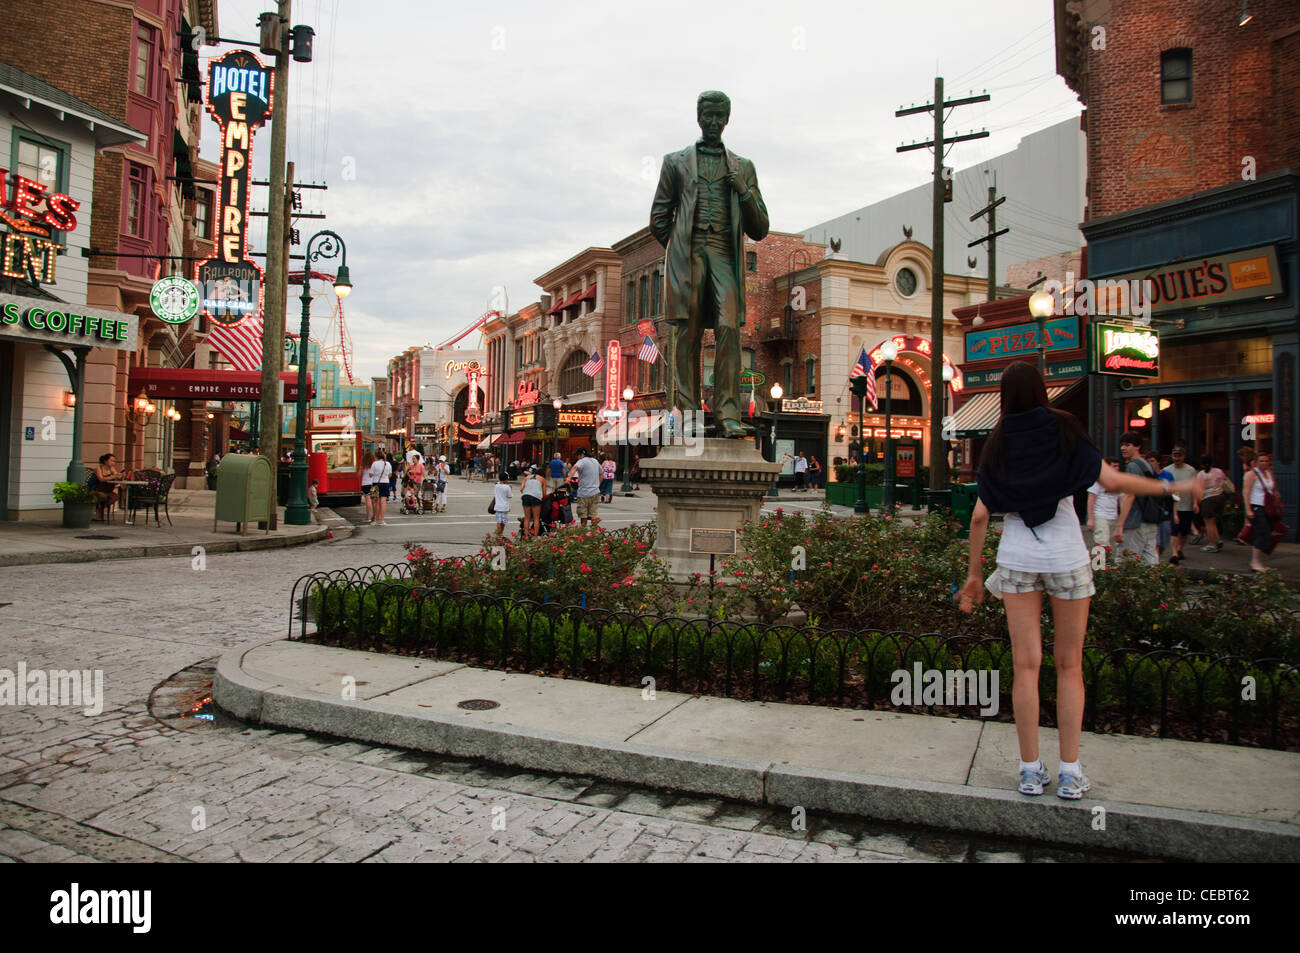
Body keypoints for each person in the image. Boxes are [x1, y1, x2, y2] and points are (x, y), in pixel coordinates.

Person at [957, 361, 1192, 801]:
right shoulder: (1065, 428)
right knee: (1069, 666)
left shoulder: (997, 443)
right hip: (1067, 556)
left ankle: (1029, 771)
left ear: (1004, 396)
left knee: (1025, 666)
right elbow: (1113, 480)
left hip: (1018, 558)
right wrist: (1169, 490)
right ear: (1043, 390)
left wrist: (973, 575)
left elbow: (979, 517)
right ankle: (1069, 772)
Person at [650, 90, 769, 438]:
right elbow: (660, 215)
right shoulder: (676, 162)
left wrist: (744, 191)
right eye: (708, 115)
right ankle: (688, 414)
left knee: (729, 327)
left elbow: (760, 227)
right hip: (688, 252)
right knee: (688, 332)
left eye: (720, 116)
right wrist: (676, 248)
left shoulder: (743, 166)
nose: (714, 122)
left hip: (724, 254)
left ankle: (728, 414)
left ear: (727, 119)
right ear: (699, 118)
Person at [1114, 434, 1161, 565]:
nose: (1123, 448)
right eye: (1122, 445)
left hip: (1135, 522)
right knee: (1150, 562)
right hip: (1150, 519)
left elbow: (1130, 495)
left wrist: (1119, 525)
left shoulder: (1132, 467)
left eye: (1127, 445)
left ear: (1138, 447)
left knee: (1126, 563)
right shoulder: (1148, 465)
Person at [1242, 452, 1279, 572]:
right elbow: (1246, 492)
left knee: (1267, 534)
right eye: (1261, 461)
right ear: (1256, 463)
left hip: (1267, 507)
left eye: (1266, 461)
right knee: (1262, 533)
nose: (1264, 463)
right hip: (1256, 506)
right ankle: (1255, 562)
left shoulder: (1269, 473)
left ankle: (1259, 561)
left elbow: (1274, 490)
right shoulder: (1251, 475)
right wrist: (1248, 509)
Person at [1161, 445, 1197, 565]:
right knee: (1174, 530)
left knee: (1184, 531)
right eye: (1175, 456)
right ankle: (1174, 552)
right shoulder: (1167, 470)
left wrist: (1196, 503)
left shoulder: (1190, 470)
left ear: (1184, 456)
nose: (1177, 458)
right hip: (1172, 505)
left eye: (1179, 456)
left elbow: (1194, 488)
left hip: (1187, 503)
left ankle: (1179, 549)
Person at [1194, 455, 1230, 553]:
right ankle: (1218, 539)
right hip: (1220, 497)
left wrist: (1196, 503)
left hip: (1208, 499)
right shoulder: (1218, 471)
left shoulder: (1201, 474)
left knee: (1208, 522)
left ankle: (1212, 544)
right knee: (1213, 521)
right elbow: (1224, 482)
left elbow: (1199, 489)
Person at [1085, 458, 1122, 551]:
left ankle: (1108, 565)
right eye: (1114, 466)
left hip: (1113, 516)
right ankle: (1099, 565)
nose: (1117, 468)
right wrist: (1090, 519)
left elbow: (1122, 500)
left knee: (1114, 545)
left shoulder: (1119, 481)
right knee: (1102, 543)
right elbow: (1091, 499)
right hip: (1100, 514)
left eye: (1118, 466)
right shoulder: (1099, 481)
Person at [569, 447, 602, 527]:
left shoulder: (581, 461)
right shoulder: (595, 461)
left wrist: (568, 478)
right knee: (593, 515)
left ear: (581, 455)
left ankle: (583, 533)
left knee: (583, 515)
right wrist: (598, 484)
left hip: (584, 493)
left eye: (577, 455)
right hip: (595, 492)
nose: (577, 457)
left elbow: (574, 468)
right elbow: (601, 473)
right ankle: (594, 534)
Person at [92, 452, 124, 521]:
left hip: (108, 490)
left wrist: (119, 476)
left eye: (114, 461)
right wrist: (113, 476)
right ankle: (99, 511)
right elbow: (101, 479)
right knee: (103, 497)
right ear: (105, 461)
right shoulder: (99, 468)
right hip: (97, 489)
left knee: (115, 497)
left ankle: (100, 509)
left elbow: (116, 476)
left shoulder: (111, 469)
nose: (113, 463)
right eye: (111, 460)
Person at [369, 449, 392, 526]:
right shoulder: (387, 464)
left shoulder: (374, 464)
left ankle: (376, 519)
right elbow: (390, 475)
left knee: (375, 502)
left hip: (375, 483)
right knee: (383, 502)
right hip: (385, 483)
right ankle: (382, 520)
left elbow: (370, 475)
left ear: (376, 456)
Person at [520, 466, 545, 536]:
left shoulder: (526, 478)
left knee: (527, 518)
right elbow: (544, 494)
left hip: (525, 496)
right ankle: (535, 537)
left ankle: (526, 536)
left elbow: (521, 489)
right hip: (536, 497)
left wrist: (527, 492)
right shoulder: (542, 479)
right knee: (536, 518)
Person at [492, 471, 512, 538]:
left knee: (498, 522)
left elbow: (498, 483)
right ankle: (500, 535)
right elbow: (510, 496)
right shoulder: (507, 487)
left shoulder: (496, 486)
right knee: (503, 522)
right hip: (504, 507)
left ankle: (499, 535)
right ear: (505, 479)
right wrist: (510, 489)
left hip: (497, 506)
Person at [360, 450, 375, 523]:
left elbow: (359, 474)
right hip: (373, 483)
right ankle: (375, 516)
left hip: (365, 484)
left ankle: (368, 516)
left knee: (368, 501)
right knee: (374, 501)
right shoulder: (374, 464)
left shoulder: (363, 465)